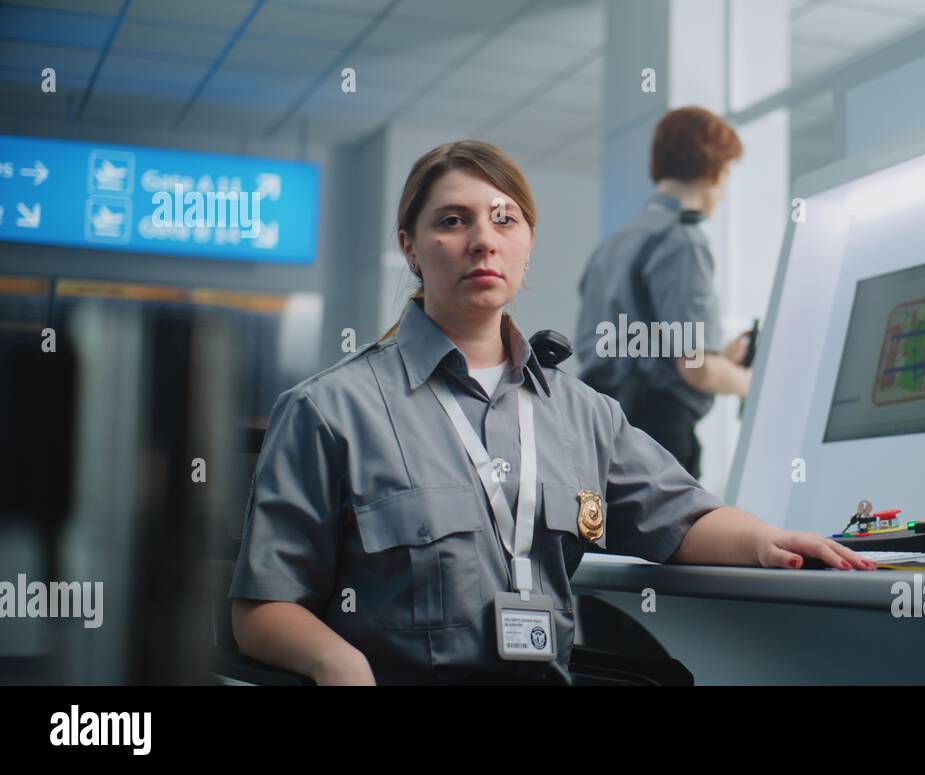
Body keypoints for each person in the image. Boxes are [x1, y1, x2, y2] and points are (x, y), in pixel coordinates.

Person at [229, 140, 874, 686]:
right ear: (410, 246)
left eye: (504, 220)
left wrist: (768, 541)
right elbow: (260, 607)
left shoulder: (580, 412)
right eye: (452, 221)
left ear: (528, 242)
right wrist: (338, 663)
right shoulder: (328, 410)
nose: (483, 239)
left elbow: (679, 517)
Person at [576, 106, 752, 478]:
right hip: (655, 436)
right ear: (712, 168)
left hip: (597, 429)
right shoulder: (682, 241)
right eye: (726, 175)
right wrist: (750, 384)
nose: (722, 193)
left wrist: (720, 356)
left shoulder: (614, 244)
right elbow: (696, 368)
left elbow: (638, 342)